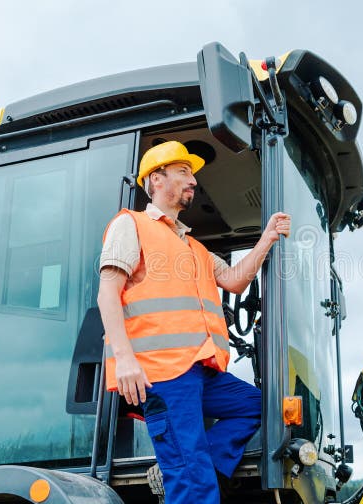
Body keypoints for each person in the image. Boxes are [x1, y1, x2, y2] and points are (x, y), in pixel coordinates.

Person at [96, 140, 291, 503]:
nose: (193, 182)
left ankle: (202, 467)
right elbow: (108, 294)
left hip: (201, 370)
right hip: (162, 374)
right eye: (184, 172)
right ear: (156, 179)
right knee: (192, 486)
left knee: (256, 407)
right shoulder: (131, 225)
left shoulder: (194, 248)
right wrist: (124, 359)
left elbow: (234, 279)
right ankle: (190, 470)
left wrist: (266, 238)